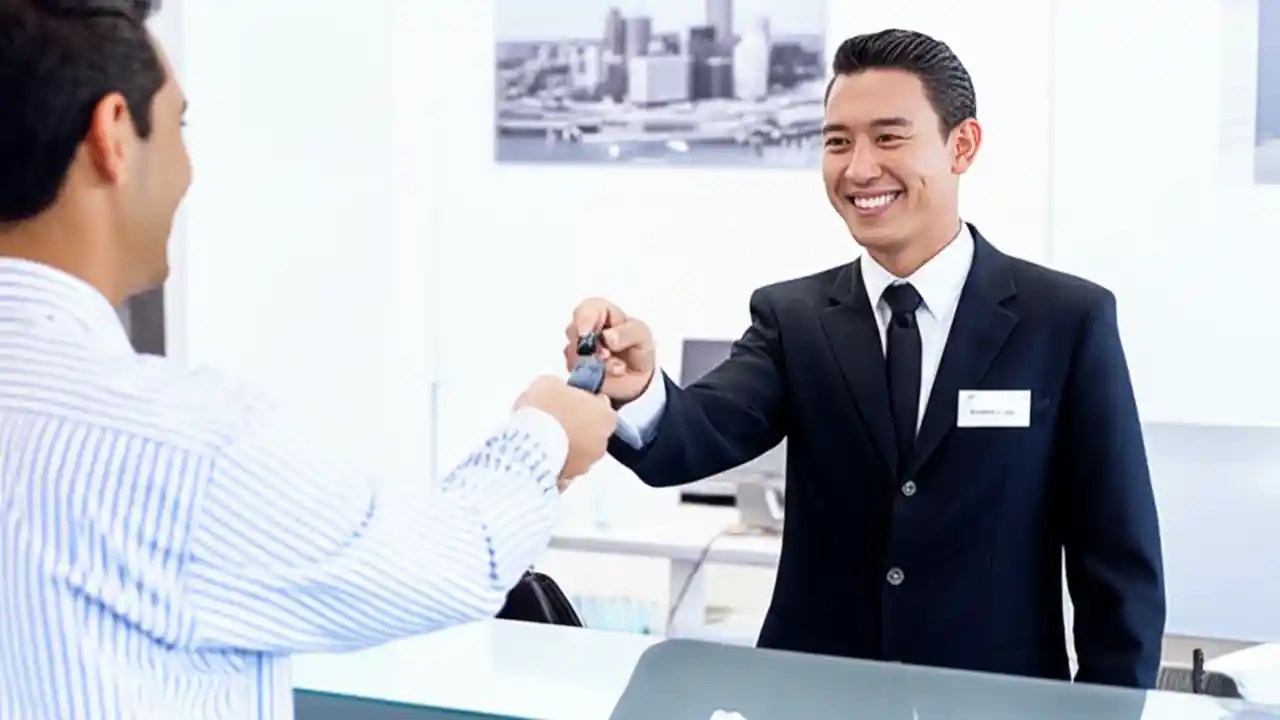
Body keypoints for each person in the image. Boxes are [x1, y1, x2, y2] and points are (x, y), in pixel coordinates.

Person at [0, 2, 616, 718]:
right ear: (113, 134)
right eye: (181, 126)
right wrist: (546, 435)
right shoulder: (182, 445)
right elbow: (457, 562)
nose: (190, 170)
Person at [567, 29, 1166, 688]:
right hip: (812, 701)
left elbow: (1117, 563)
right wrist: (639, 385)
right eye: (837, 141)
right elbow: (693, 438)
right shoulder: (793, 318)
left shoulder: (1064, 321)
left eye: (888, 137)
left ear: (961, 145)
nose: (857, 169)